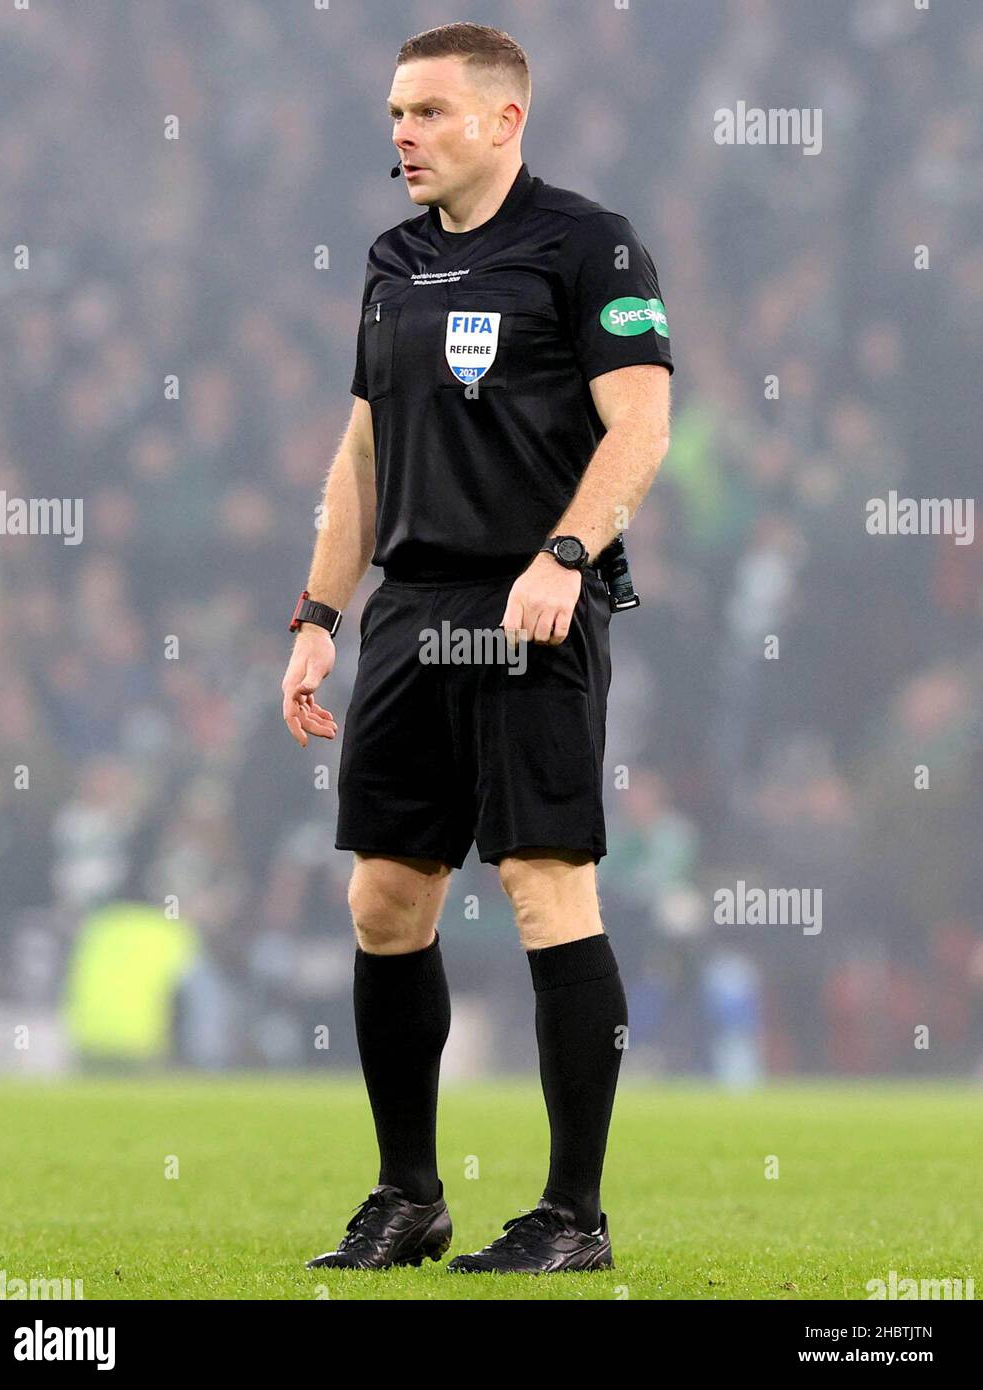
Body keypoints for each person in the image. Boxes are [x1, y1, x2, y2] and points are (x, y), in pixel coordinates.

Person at [281, 21, 672, 1274]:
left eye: (430, 112)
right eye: (396, 113)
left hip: (530, 608)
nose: (403, 134)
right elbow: (359, 455)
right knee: (385, 900)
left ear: (505, 121)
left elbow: (643, 424)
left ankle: (573, 1214)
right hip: (408, 609)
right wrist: (316, 617)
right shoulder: (390, 261)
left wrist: (562, 557)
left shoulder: (585, 244)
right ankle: (409, 1196)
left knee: (544, 886)